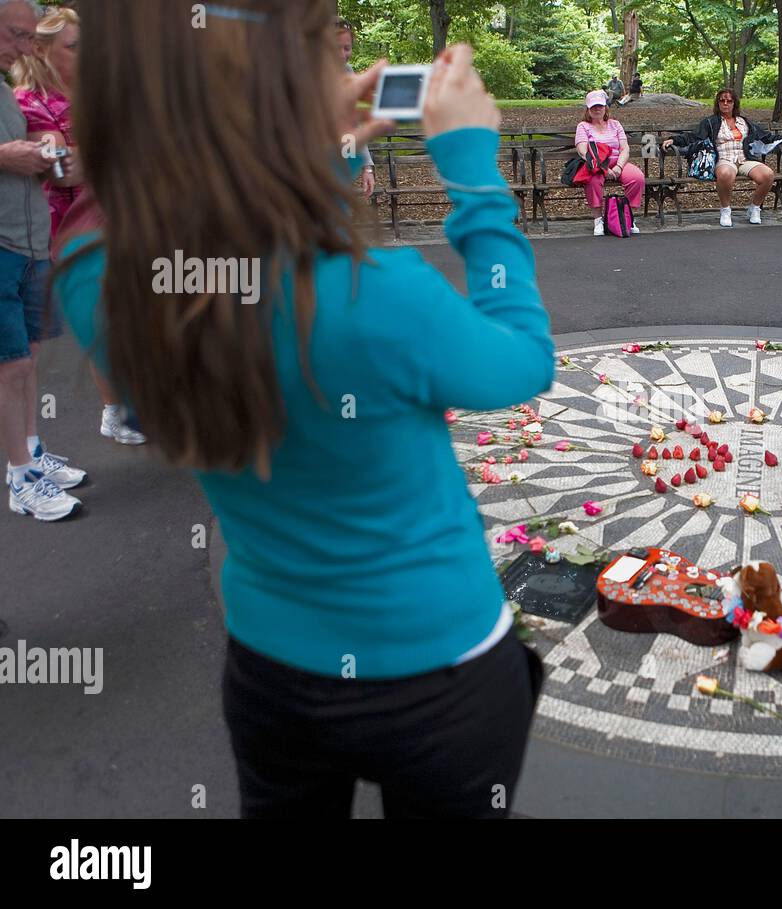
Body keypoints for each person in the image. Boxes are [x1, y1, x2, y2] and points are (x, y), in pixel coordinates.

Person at [56, 0, 550, 818]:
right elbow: (520, 362)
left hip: (273, 669)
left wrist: (323, 143)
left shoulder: (93, 275)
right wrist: (473, 172)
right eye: (323, 43)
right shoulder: (377, 298)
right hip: (442, 674)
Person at [13, 5, 144, 446]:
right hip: (71, 230)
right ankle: (114, 411)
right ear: (42, 50)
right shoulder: (29, 103)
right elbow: (65, 169)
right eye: (74, 47)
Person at [1, 0, 85, 522]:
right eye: (16, 34)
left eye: (30, 37)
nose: (24, 48)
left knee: (26, 360)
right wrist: (12, 154)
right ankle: (19, 478)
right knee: (10, 366)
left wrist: (38, 147)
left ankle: (31, 454)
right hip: (7, 243)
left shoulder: (6, 89)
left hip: (27, 240)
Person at [662, 87, 782, 227]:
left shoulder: (744, 122)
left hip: (745, 158)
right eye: (722, 100)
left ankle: (754, 207)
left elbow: (765, 136)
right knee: (726, 174)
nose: (725, 103)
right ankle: (726, 210)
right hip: (724, 159)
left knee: (768, 175)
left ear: (734, 104)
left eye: (729, 101)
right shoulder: (711, 122)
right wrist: (674, 140)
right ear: (718, 103)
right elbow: (693, 136)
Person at [575, 90, 642, 236]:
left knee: (636, 178)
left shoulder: (615, 124)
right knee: (592, 181)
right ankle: (598, 220)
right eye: (593, 106)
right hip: (596, 164)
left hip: (617, 162)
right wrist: (604, 169)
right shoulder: (583, 126)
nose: (597, 109)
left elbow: (624, 148)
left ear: (606, 107)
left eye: (600, 105)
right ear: (588, 109)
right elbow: (583, 151)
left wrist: (619, 166)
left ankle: (628, 218)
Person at [336, 18, 376, 200]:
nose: (343, 55)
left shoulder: (348, 73)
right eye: (336, 48)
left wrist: (365, 167)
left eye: (347, 48)